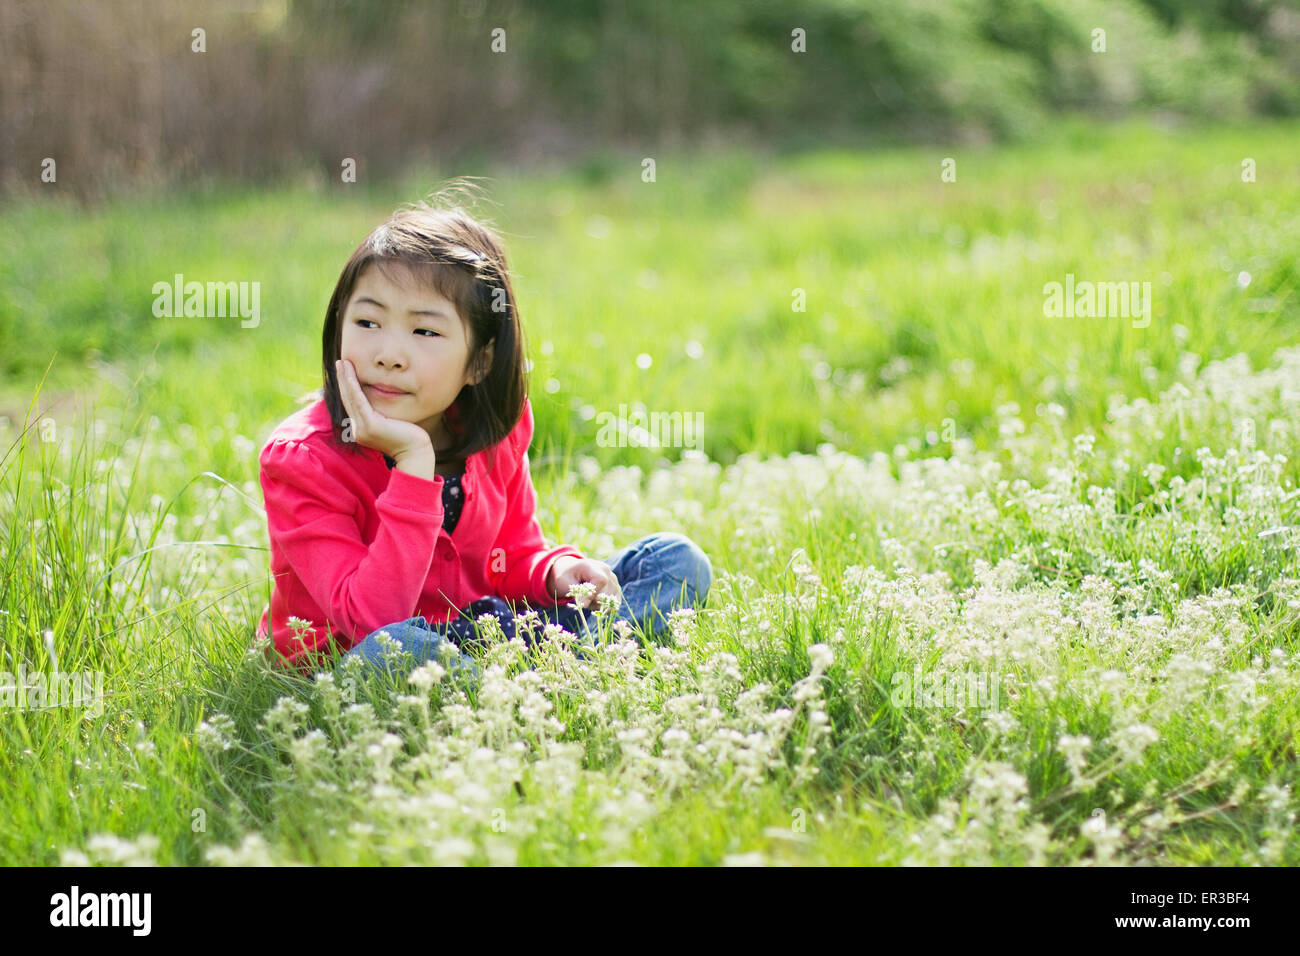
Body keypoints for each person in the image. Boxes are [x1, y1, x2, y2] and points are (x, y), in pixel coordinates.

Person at [254, 192, 713, 681]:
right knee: (394, 650)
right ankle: (548, 678)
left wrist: (553, 573)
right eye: (367, 322)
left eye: (424, 332)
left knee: (675, 561)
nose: (388, 353)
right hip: (364, 649)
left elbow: (512, 553)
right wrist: (412, 460)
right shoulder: (303, 459)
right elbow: (372, 621)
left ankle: (528, 677)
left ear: (480, 361)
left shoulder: (495, 430)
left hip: (482, 626)